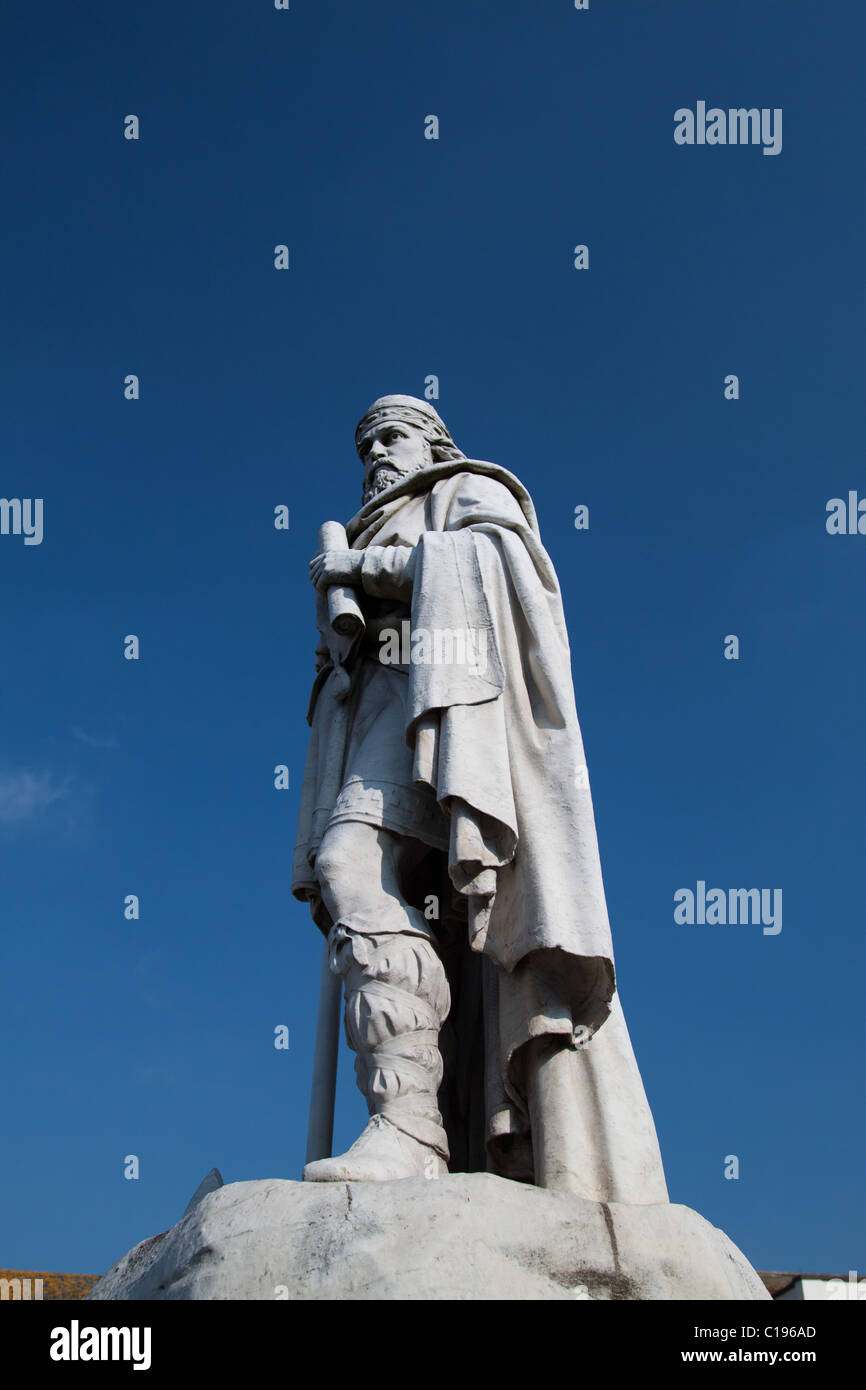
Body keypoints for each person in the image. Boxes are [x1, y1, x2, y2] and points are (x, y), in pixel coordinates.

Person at [292, 395, 668, 1203]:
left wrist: (373, 570)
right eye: (365, 449)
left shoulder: (467, 489)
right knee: (359, 878)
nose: (377, 459)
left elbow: (502, 570)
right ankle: (417, 1119)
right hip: (384, 721)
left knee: (351, 863)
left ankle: (409, 1129)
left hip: (457, 717)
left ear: (434, 442)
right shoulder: (369, 526)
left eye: (392, 438)